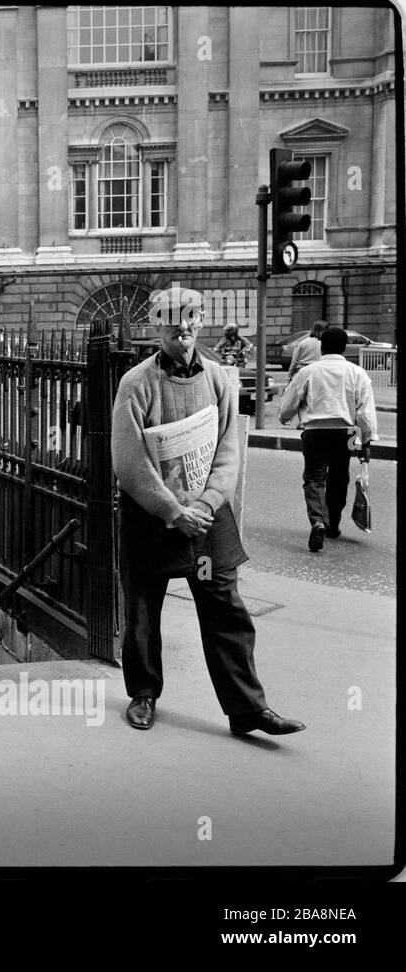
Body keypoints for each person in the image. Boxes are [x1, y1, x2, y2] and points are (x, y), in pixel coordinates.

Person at [111, 287, 304, 737]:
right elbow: (130, 462)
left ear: (201, 321)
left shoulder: (220, 379)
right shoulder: (135, 383)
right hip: (152, 516)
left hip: (206, 515)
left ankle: (247, 709)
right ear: (156, 325)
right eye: (172, 319)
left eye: (191, 317)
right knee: (142, 610)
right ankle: (143, 695)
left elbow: (227, 450)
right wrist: (172, 510)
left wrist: (206, 504)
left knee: (226, 609)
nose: (183, 326)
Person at [277, 326, 377, 551]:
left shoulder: (308, 372)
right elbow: (365, 415)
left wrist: (284, 417)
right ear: (345, 348)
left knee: (314, 478)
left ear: (322, 346)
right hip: (348, 432)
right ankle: (333, 524)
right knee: (340, 477)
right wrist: (365, 442)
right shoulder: (358, 373)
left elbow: (289, 404)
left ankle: (318, 520)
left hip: (314, 430)